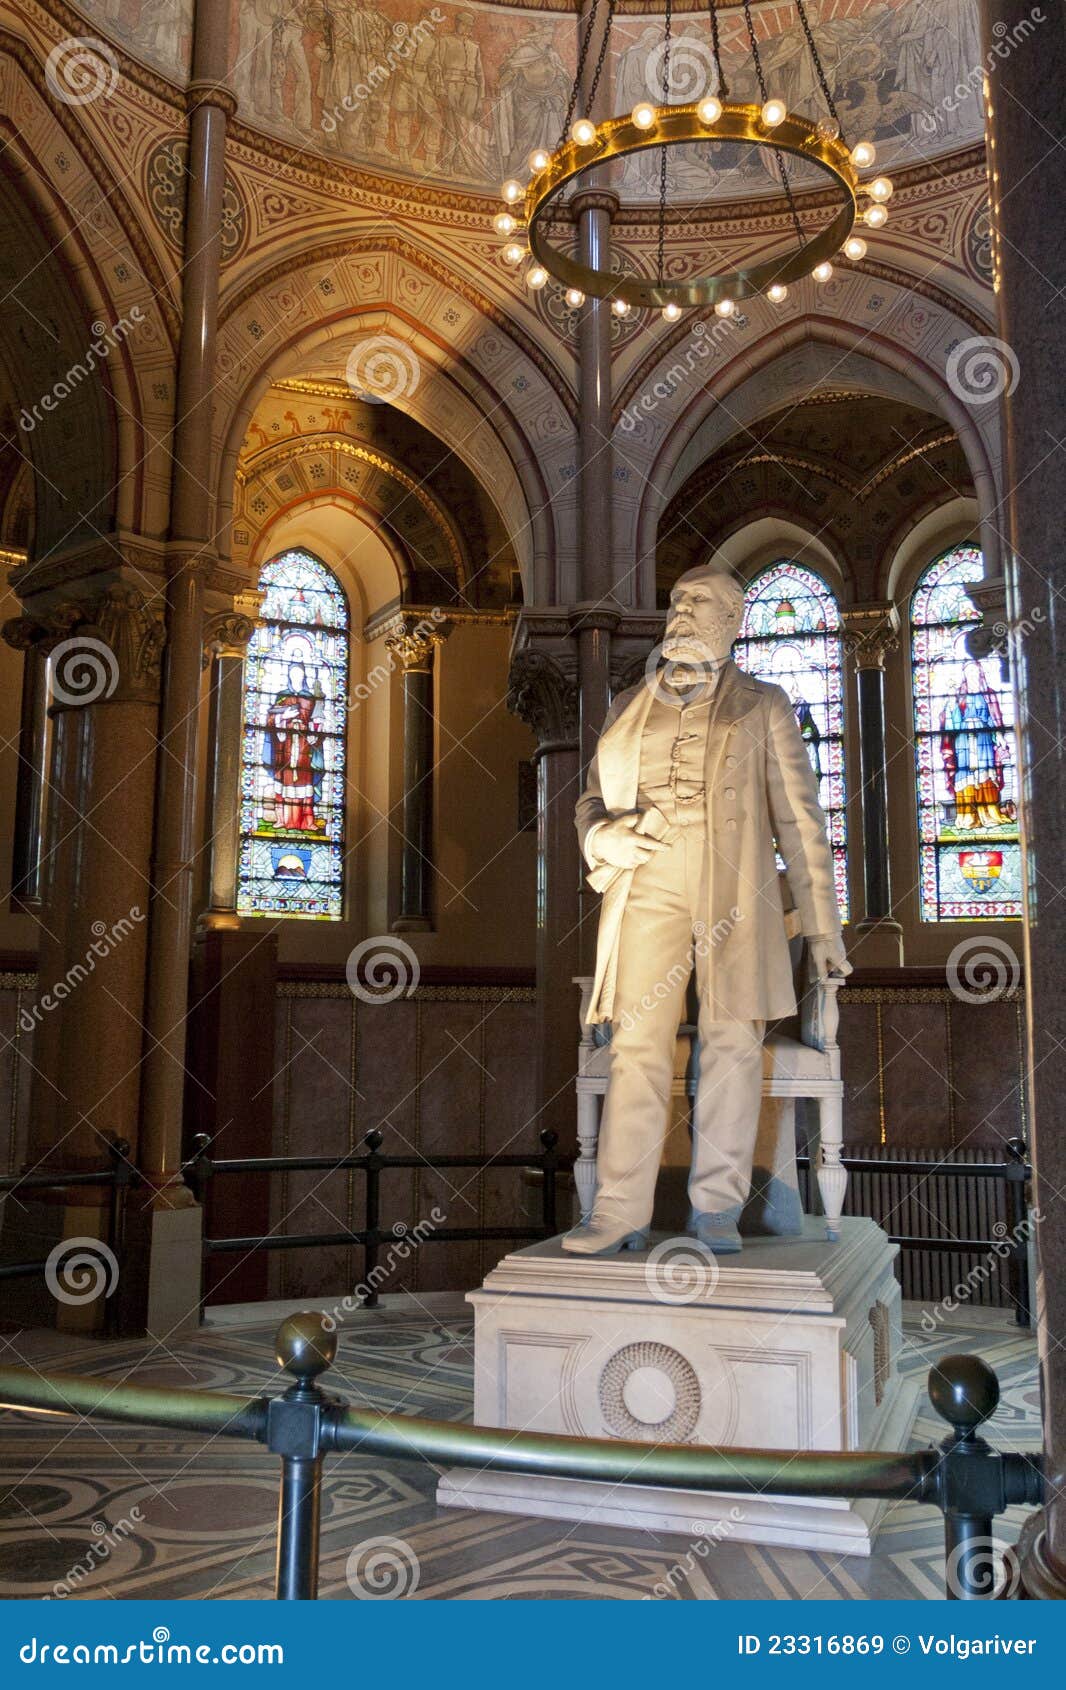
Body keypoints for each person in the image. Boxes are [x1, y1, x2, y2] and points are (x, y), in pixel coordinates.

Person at [564, 565, 850, 1259]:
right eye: (679, 601)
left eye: (702, 603)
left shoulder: (765, 704)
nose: (684, 612)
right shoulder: (628, 703)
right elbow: (590, 802)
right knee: (636, 1043)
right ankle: (619, 1209)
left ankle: (716, 1208)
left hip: (736, 892)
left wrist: (822, 928)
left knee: (731, 1041)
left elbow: (801, 823)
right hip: (646, 882)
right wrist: (602, 835)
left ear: (733, 620)